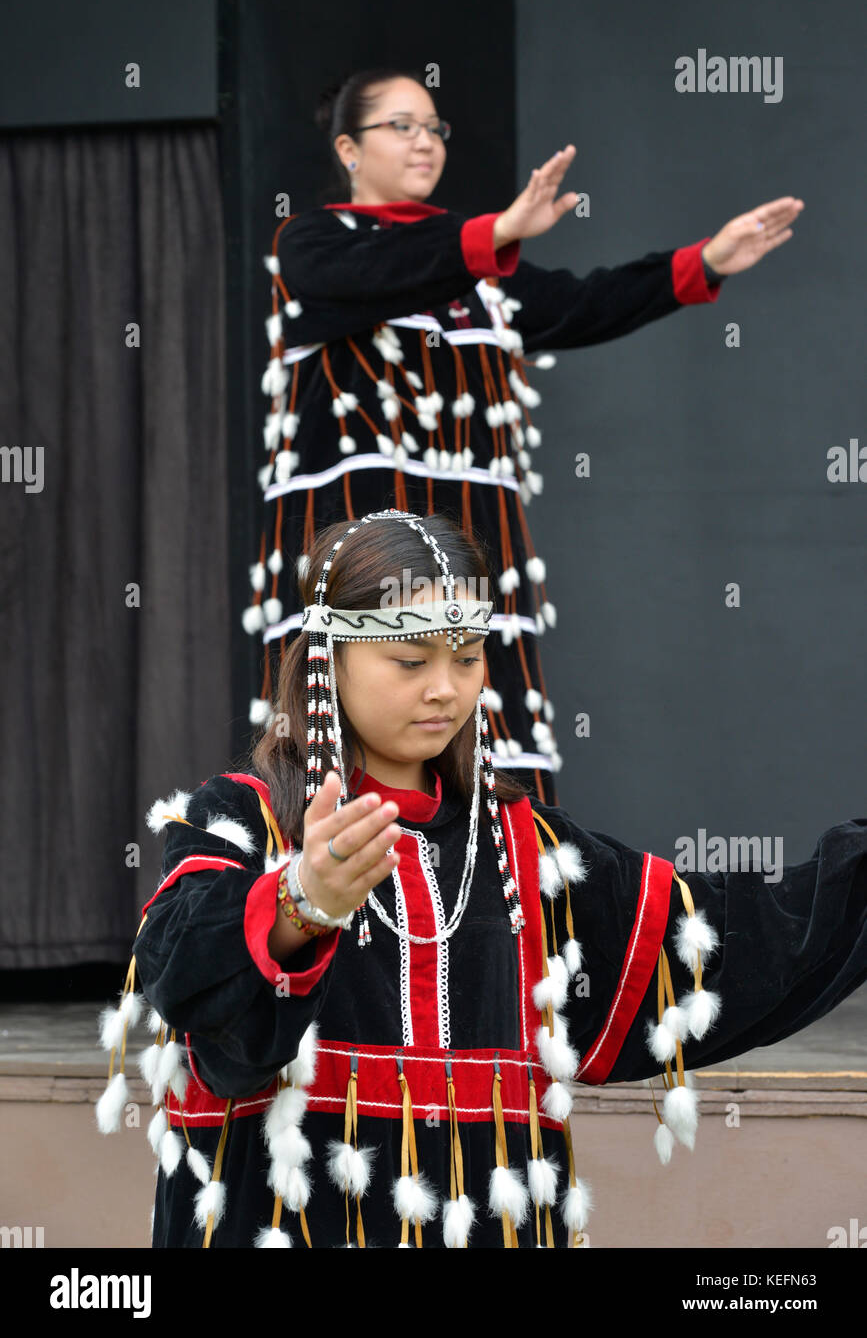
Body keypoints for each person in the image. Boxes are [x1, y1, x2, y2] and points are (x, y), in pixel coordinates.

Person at [96, 510, 866, 1249]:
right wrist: (302, 903)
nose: (445, 688)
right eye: (411, 660)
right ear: (328, 659)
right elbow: (181, 971)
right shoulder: (245, 818)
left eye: (465, 657)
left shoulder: (524, 848)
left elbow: (737, 939)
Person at [246, 65, 805, 805]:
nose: (425, 142)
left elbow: (577, 303)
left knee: (485, 726)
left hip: (474, 535)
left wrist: (700, 263)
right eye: (402, 126)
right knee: (367, 707)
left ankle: (500, 901)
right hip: (362, 531)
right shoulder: (315, 240)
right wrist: (494, 234)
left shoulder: (477, 263)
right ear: (348, 149)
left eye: (434, 128)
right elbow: (376, 274)